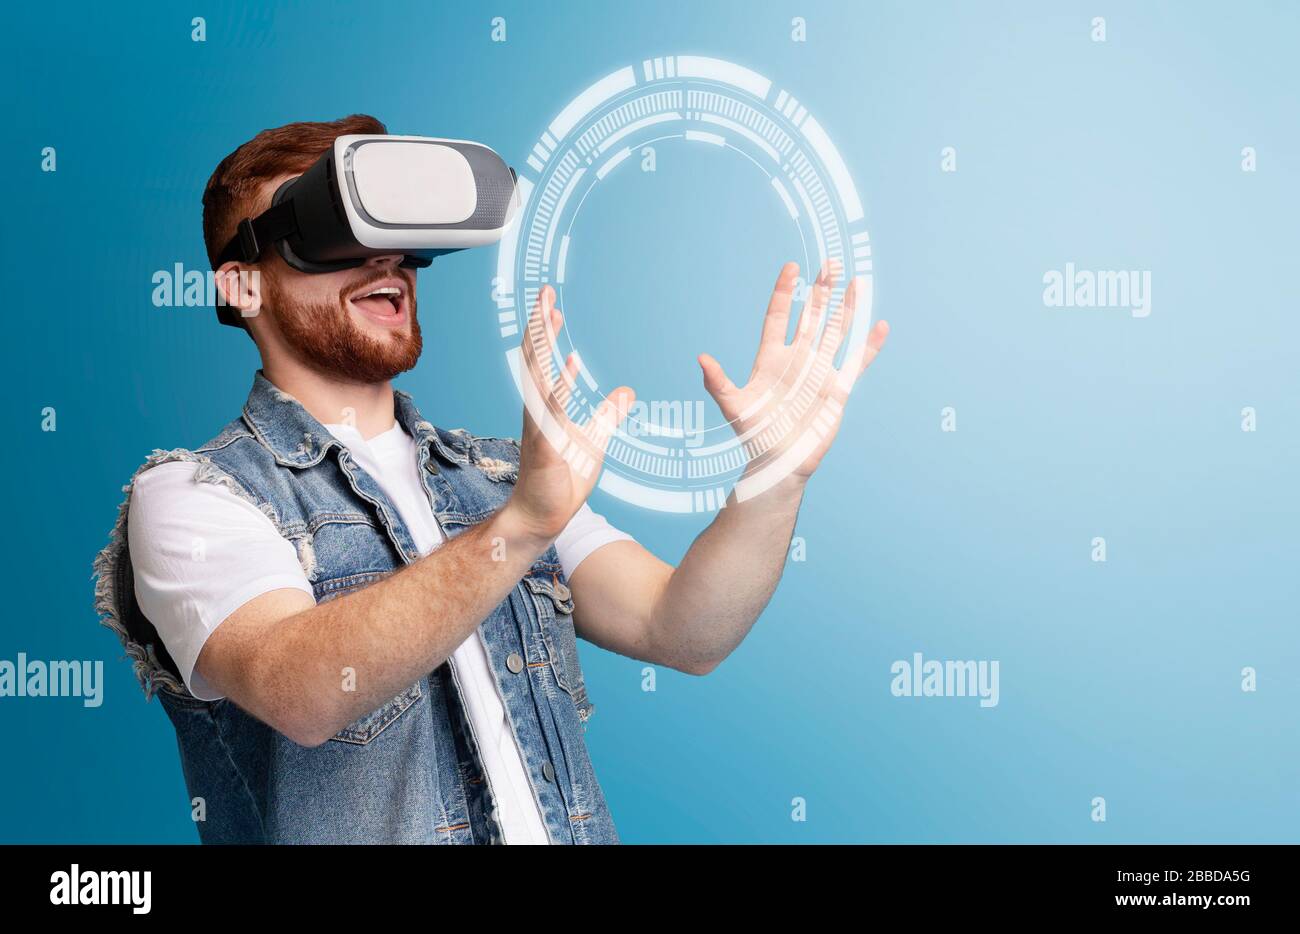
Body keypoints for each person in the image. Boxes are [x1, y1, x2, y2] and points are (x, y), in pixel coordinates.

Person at [92, 114, 889, 844]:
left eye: (396, 234)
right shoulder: (197, 496)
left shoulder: (499, 479)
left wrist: (776, 477)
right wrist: (520, 529)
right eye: (332, 231)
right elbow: (299, 689)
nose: (384, 260)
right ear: (241, 285)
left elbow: (682, 630)